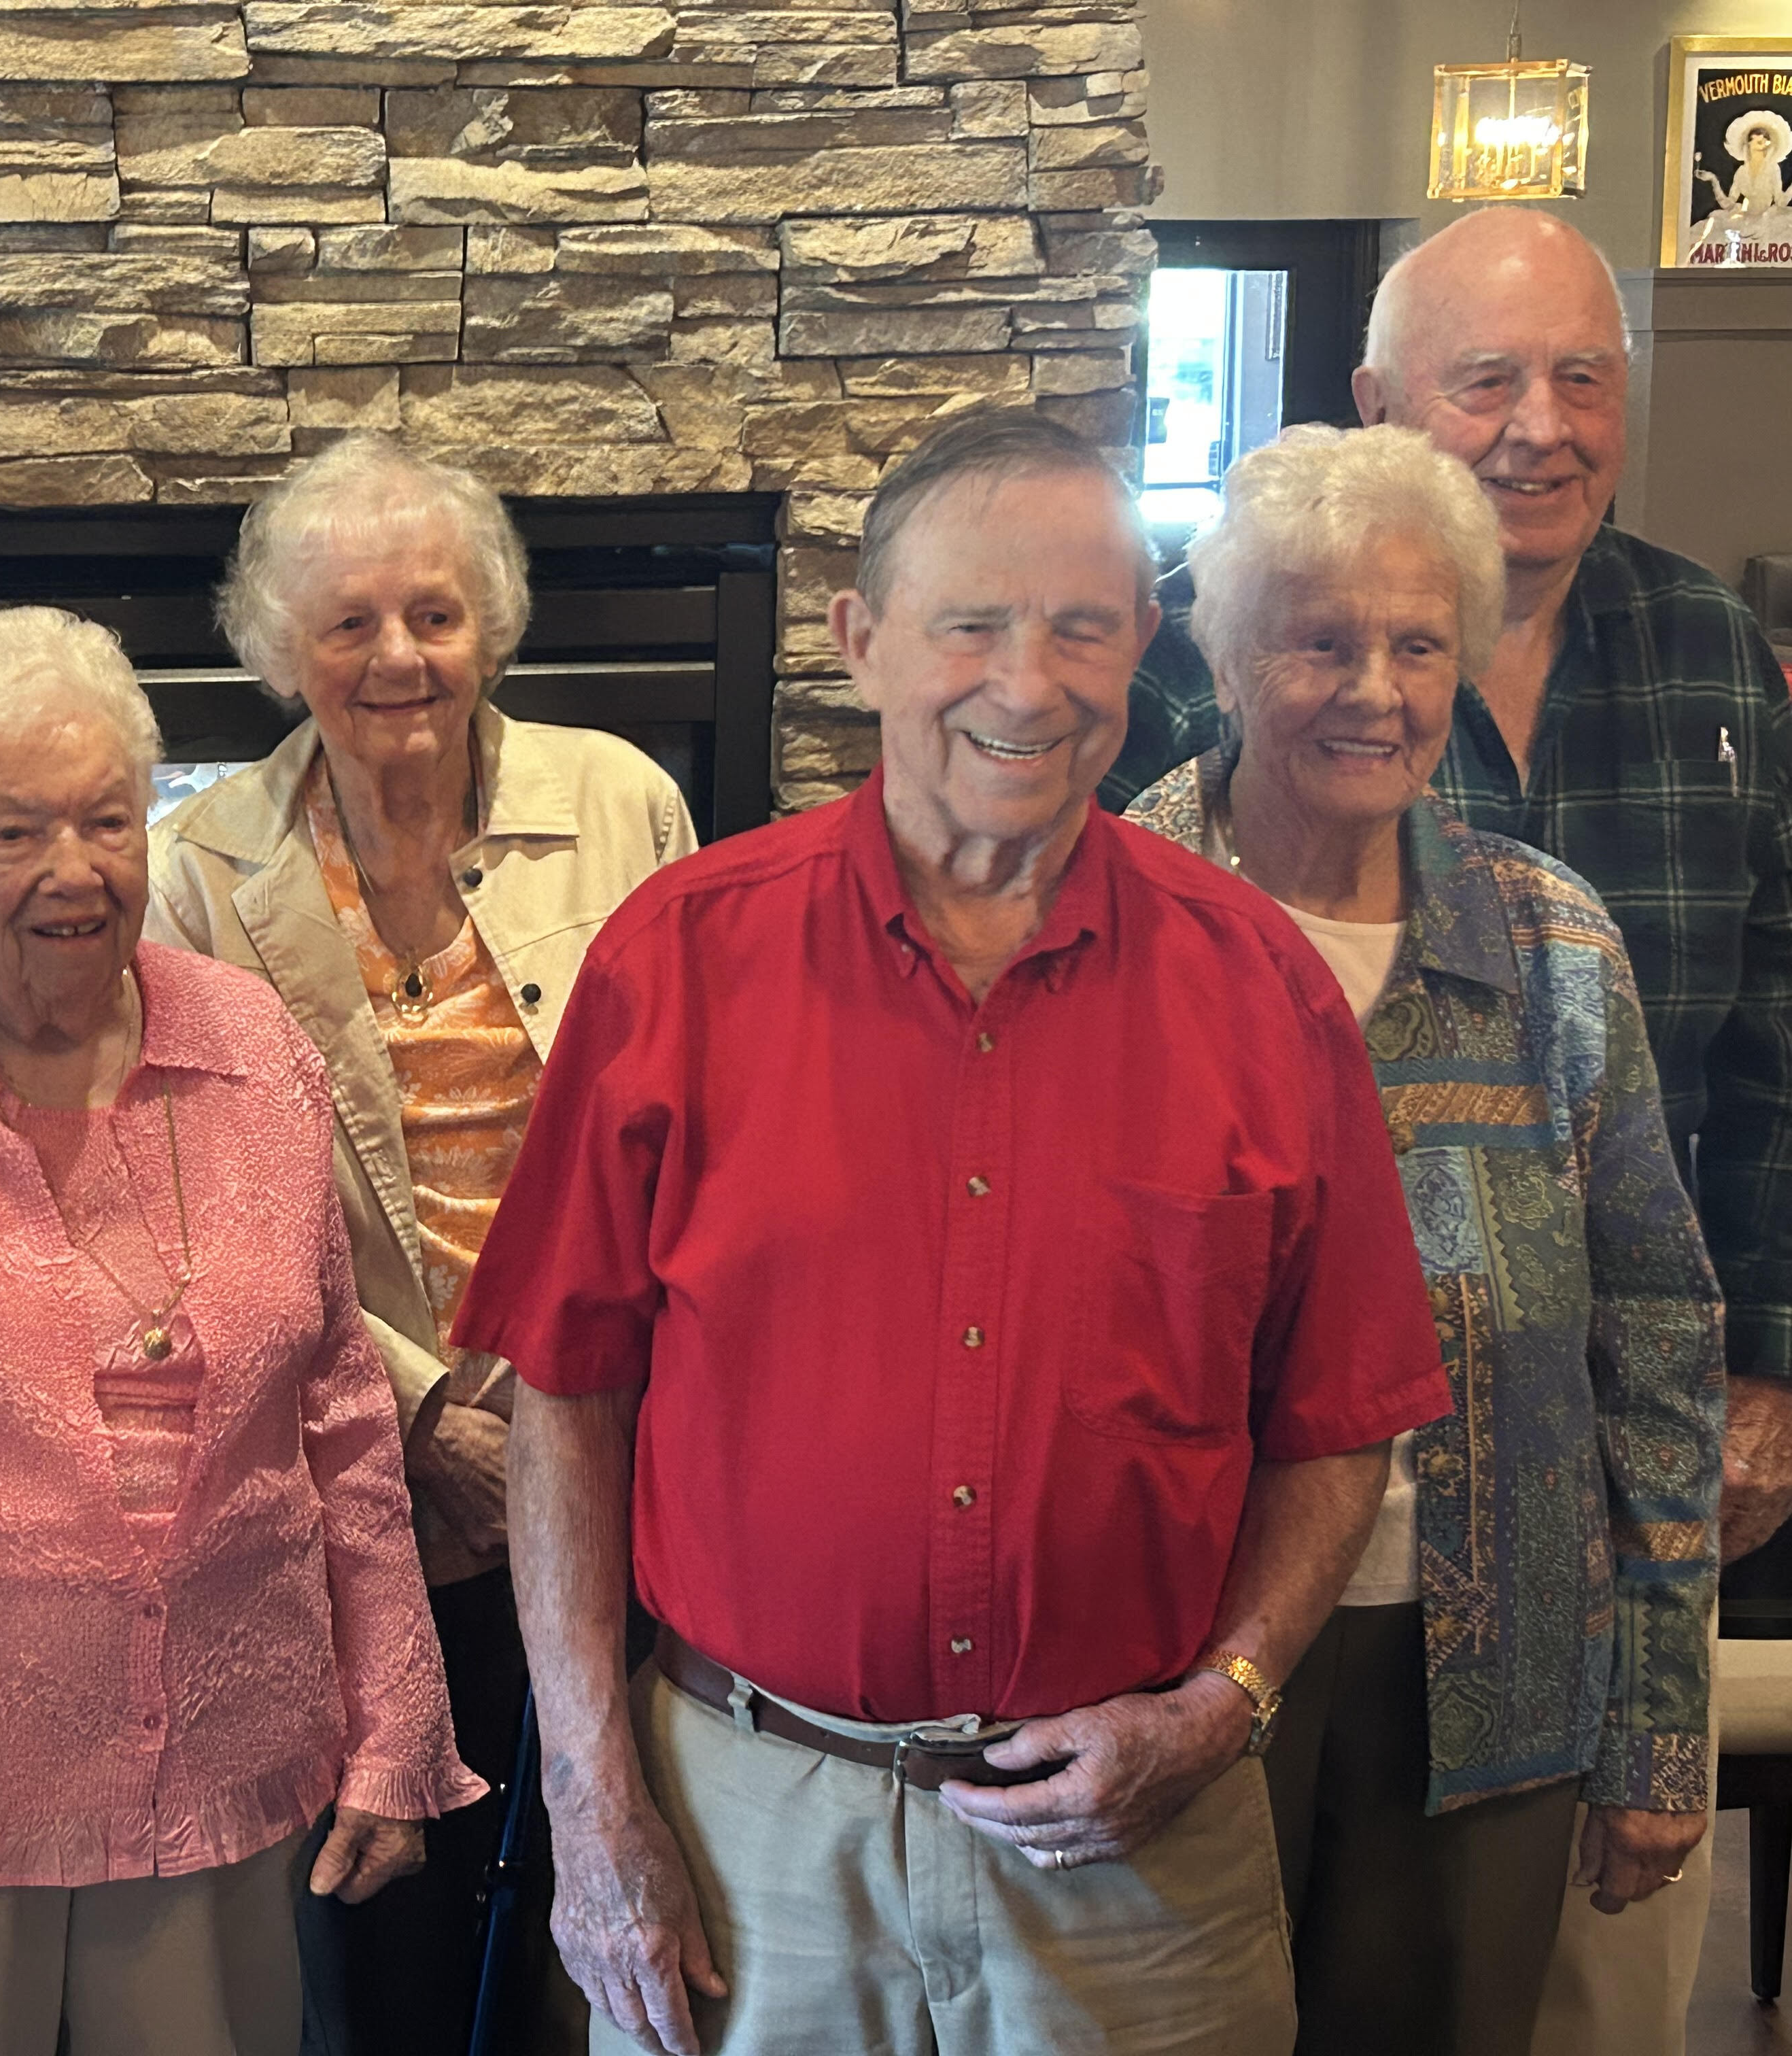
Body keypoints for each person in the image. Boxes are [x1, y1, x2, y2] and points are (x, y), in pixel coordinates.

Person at [455, 408, 1451, 2056]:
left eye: (1081, 624)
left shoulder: (1258, 990)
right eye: (972, 623)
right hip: (743, 1824)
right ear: (859, 642)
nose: (1029, 680)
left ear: (1143, 641)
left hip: (1143, 1847)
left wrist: (1232, 1701)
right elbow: (568, 1396)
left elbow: (1338, 1417)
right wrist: (592, 1804)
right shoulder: (678, 965)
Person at [1100, 205, 1792, 2056]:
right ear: (1225, 659)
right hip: (1157, 1650)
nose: (1377, 692)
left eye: (1421, 646)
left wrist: (1658, 1726)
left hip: (1488, 1676)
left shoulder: (1555, 942)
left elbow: (1657, 1338)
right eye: (1320, 642)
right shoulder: (1107, 925)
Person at [0, 606, 484, 2056]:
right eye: (10, 834)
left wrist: (396, 1726)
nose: (73, 873)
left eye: (107, 822)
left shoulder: (255, 1053)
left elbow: (343, 1424)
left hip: (228, 1787)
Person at [146, 432, 694, 2054]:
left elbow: (683, 1133)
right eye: (350, 623)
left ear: (495, 626)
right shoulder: (207, 870)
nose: (400, 657)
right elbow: (215, 1196)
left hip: (602, 1429)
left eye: (436, 615)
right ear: (274, 648)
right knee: (391, 1916)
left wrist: (557, 1411)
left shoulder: (622, 802)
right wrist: (426, 1420)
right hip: (365, 1464)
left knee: (615, 1868)